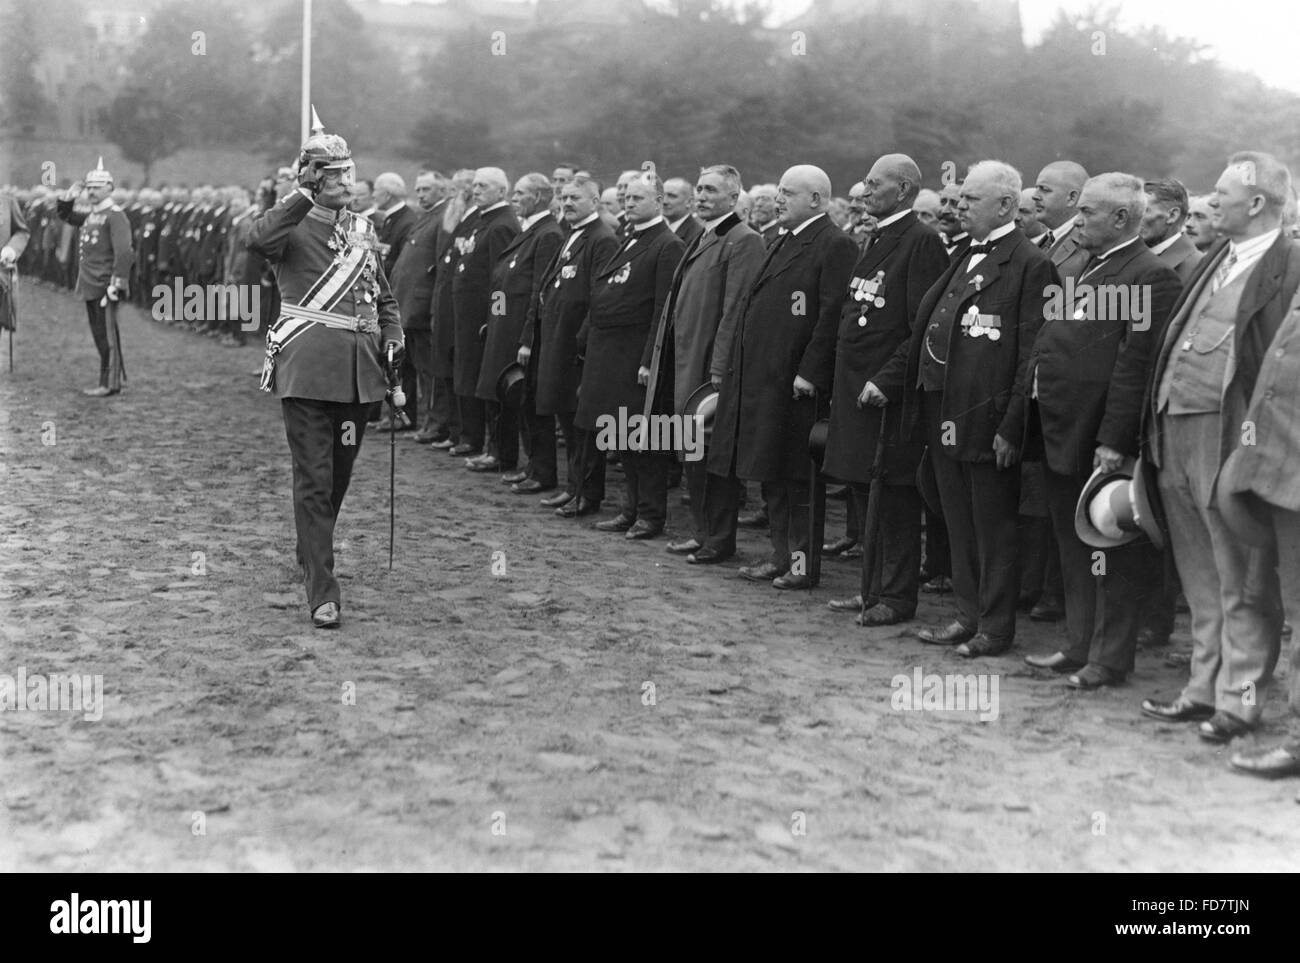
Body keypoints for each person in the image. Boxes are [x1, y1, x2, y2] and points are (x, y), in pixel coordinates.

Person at [1141, 151, 1300, 741]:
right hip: (1175, 427)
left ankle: (1241, 700)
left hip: (1232, 434)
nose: (1211, 202)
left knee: (1244, 578)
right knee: (1199, 573)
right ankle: (1201, 690)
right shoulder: (1217, 258)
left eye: (1222, 193)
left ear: (1256, 203)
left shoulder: (1289, 266)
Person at [1022, 173, 1182, 688]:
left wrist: (1114, 441)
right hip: (1063, 428)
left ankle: (1109, 657)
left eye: (1088, 212)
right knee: (1074, 546)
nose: (1079, 221)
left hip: (1100, 440)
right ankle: (1078, 644)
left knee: (1108, 549)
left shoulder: (1150, 276)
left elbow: (1135, 366)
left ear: (1119, 219)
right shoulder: (1095, 267)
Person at [245, 112, 403, 630]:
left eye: (345, 173)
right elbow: (257, 241)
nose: (343, 183)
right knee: (313, 479)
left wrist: (394, 337)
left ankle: (310, 548)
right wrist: (300, 194)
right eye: (330, 174)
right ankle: (322, 589)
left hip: (358, 375)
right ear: (310, 177)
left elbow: (382, 296)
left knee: (337, 477)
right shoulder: (290, 223)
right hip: (307, 370)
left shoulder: (363, 228)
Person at [907, 160, 1054, 657]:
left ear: (1007, 205)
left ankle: (994, 627)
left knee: (992, 526)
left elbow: (1032, 354)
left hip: (986, 417)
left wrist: (1012, 426)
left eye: (971, 199)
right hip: (943, 407)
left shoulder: (1031, 264)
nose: (959, 206)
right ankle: (967, 615)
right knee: (958, 520)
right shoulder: (965, 253)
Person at [708, 164, 858, 588]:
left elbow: (832, 314)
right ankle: (780, 556)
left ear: (815, 199)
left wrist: (811, 371)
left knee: (797, 479)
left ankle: (799, 565)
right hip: (764, 377)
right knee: (772, 472)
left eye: (787, 192)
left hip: (796, 384)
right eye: (778, 191)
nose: (777, 199)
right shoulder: (780, 240)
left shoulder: (834, 244)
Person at [829, 153, 948, 624]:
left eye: (873, 183)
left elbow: (921, 328)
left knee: (893, 497)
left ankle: (895, 597)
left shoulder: (920, 242)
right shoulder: (877, 236)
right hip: (856, 387)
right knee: (864, 489)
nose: (864, 189)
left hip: (885, 397)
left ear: (901, 190)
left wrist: (888, 379)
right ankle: (871, 588)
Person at [640, 164, 765, 561]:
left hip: (708, 366)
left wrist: (719, 369)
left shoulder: (743, 240)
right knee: (692, 452)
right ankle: (702, 531)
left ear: (734, 196)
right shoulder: (704, 235)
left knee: (712, 455)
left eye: (711, 190)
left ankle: (719, 539)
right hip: (683, 360)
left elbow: (736, 308)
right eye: (699, 188)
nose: (702, 196)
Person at [576, 169, 685, 539]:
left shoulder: (666, 244)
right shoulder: (630, 237)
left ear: (658, 200)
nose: (629, 203)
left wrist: (648, 360)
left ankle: (651, 515)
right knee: (621, 438)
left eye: (638, 198)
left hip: (635, 352)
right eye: (626, 198)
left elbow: (663, 307)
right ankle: (630, 509)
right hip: (610, 350)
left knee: (645, 439)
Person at [522, 174, 620, 518]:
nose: (567, 204)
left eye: (575, 198)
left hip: (575, 348)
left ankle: (586, 494)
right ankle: (573, 487)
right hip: (556, 341)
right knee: (567, 419)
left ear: (595, 201)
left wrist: (580, 343)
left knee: (582, 425)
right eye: (563, 198)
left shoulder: (602, 239)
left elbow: (598, 299)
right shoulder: (570, 235)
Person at [476, 173, 564, 488]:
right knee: (518, 400)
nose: (514, 198)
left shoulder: (548, 234)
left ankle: (541, 471)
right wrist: (495, 317)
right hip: (506, 324)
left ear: (539, 197)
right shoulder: (530, 230)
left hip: (522, 331)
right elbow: (503, 281)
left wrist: (526, 336)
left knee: (528, 400)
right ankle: (531, 467)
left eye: (521, 193)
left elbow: (538, 291)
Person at [55, 159, 134, 397]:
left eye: (97, 187)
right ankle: (107, 380)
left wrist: (117, 283)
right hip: (90, 283)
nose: (91, 191)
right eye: (89, 187)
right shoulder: (92, 214)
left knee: (107, 336)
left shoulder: (115, 215)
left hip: (105, 284)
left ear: (110, 188)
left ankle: (110, 383)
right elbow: (66, 216)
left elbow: (124, 252)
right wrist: (70, 195)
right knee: (99, 334)